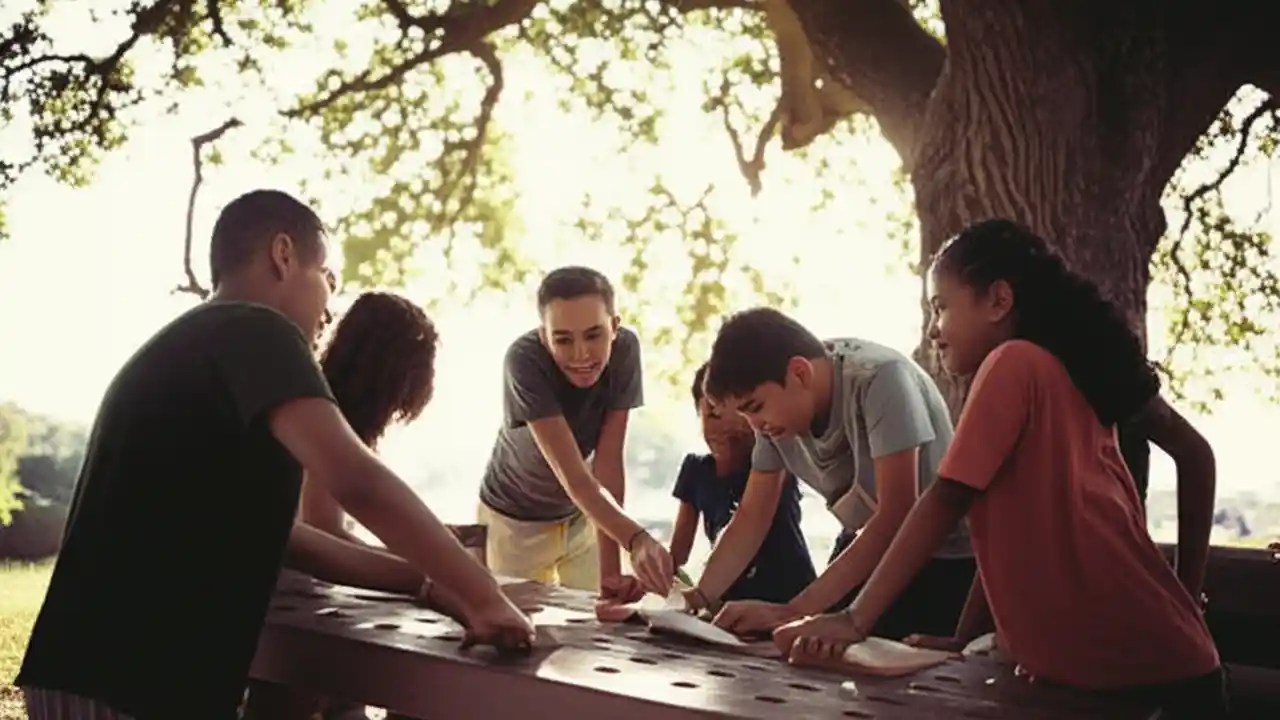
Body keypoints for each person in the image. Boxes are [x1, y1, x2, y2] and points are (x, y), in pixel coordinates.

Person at [16, 190, 533, 720]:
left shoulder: (192, 346)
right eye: (328, 278)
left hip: (73, 674)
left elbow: (289, 539)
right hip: (137, 683)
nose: (330, 309)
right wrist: (484, 595)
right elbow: (357, 481)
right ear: (282, 255)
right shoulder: (256, 329)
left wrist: (424, 581)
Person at [776, 219, 1224, 718]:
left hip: (1141, 683)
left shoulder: (1013, 365)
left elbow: (946, 500)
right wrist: (963, 639)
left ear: (998, 301)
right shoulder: (1052, 375)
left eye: (940, 307)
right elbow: (1012, 535)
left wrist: (855, 619)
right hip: (1163, 667)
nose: (932, 330)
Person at [687, 307, 974, 642]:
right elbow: (752, 516)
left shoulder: (881, 380)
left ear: (799, 373)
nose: (755, 428)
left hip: (946, 563)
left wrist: (793, 610)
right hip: (863, 545)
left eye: (755, 408)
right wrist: (693, 603)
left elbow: (897, 515)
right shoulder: (774, 424)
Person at [478, 266, 672, 599]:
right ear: (544, 336)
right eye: (563, 339)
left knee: (596, 624)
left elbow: (608, 462)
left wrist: (610, 575)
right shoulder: (524, 361)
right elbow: (575, 477)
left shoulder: (625, 351)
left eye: (594, 335)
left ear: (614, 327)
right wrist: (637, 539)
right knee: (518, 632)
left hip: (583, 516)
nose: (581, 354)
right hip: (514, 522)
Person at [669, 362, 816, 605]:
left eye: (739, 415)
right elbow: (677, 554)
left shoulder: (775, 465)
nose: (726, 426)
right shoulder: (695, 470)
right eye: (713, 414)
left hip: (789, 597)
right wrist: (649, 574)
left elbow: (751, 519)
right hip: (728, 599)